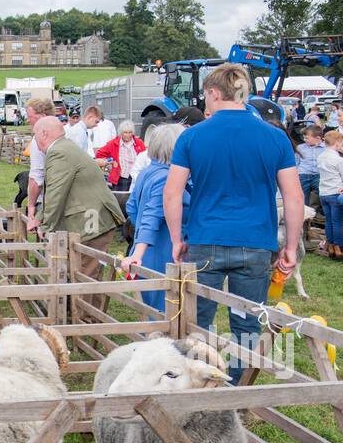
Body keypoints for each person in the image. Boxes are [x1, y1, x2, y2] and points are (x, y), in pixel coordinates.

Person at [163, 62, 304, 384]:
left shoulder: (191, 137)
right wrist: (291, 246)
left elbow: (172, 194)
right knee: (247, 323)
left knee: (199, 321)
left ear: (214, 93)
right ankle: (237, 391)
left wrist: (175, 238)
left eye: (206, 98)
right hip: (255, 242)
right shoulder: (275, 137)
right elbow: (294, 197)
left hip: (206, 239)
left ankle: (197, 385)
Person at [28, 116, 126, 312]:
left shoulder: (58, 152)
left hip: (91, 221)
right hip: (94, 218)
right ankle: (89, 318)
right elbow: (57, 190)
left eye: (35, 136)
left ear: (44, 134)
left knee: (85, 271)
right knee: (89, 270)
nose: (35, 143)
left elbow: (56, 193)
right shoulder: (65, 147)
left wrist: (45, 226)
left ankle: (83, 323)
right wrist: (38, 217)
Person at [118, 122, 186, 312]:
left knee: (152, 312)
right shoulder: (168, 178)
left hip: (145, 251)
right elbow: (153, 214)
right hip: (162, 252)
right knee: (167, 313)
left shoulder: (146, 173)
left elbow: (132, 208)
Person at [317, 128, 343, 259]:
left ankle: (330, 246)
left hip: (323, 193)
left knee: (329, 221)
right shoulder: (338, 159)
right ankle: (339, 248)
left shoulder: (320, 156)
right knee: (337, 221)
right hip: (336, 192)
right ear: (338, 143)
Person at [22, 97, 55, 225]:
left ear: (42, 116)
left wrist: (31, 205)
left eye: (30, 116)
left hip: (49, 199)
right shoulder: (64, 132)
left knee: (48, 238)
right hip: (71, 200)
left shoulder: (39, 140)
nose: (28, 120)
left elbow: (36, 176)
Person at [93, 121, 145, 191]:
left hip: (136, 178)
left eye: (130, 132)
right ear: (121, 133)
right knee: (120, 200)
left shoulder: (139, 143)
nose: (128, 135)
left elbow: (145, 157)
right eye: (125, 132)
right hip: (120, 178)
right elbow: (99, 154)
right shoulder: (113, 143)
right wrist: (111, 162)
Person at [295, 124, 323, 205]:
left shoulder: (325, 147)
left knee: (320, 192)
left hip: (319, 174)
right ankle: (304, 212)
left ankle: (315, 210)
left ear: (318, 138)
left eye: (307, 138)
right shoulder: (300, 147)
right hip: (303, 174)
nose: (304, 140)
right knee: (303, 195)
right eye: (304, 137)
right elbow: (296, 161)